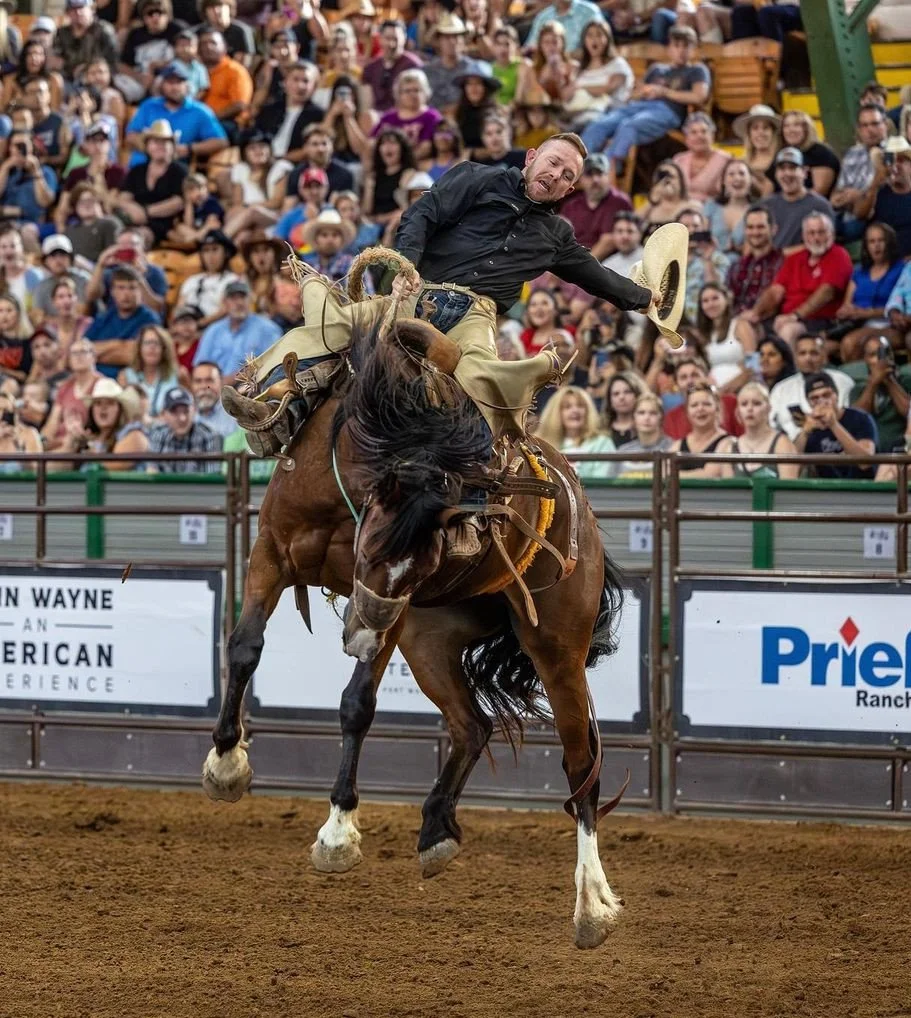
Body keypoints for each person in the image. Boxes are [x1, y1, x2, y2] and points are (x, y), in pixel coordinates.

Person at [223, 133, 659, 453]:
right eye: (552, 162)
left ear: (569, 190)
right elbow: (422, 213)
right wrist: (406, 263)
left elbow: (597, 277)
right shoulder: (477, 177)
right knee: (333, 323)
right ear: (531, 158)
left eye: (567, 175)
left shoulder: (558, 236)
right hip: (417, 291)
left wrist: (646, 299)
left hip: (475, 317)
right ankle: (268, 406)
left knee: (482, 372)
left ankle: (481, 476)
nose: (556, 175)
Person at [580, 26, 710, 182]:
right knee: (600, 124)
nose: (681, 51)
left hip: (668, 111)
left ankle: (605, 170)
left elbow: (699, 96)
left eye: (686, 46)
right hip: (639, 107)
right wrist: (643, 92)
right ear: (669, 49)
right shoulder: (657, 69)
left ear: (693, 49)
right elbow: (633, 95)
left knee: (629, 126)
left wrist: (664, 92)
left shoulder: (697, 70)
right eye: (677, 46)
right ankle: (579, 165)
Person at [742, 212, 853, 349]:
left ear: (831, 234)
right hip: (787, 318)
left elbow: (826, 292)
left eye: (821, 232)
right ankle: (753, 368)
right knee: (747, 327)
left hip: (820, 321)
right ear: (804, 236)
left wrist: (795, 315)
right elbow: (776, 291)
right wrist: (756, 313)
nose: (816, 238)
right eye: (811, 233)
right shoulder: (794, 258)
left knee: (788, 330)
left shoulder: (838, 254)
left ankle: (788, 370)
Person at [124, 61, 228, 168]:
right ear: (162, 85)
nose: (174, 87)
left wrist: (189, 148)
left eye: (179, 82)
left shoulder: (200, 111)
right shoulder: (149, 106)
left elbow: (221, 142)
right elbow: (131, 136)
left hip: (175, 167)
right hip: (141, 166)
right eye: (170, 82)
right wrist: (154, 150)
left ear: (187, 85)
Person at [832, 221, 905, 362]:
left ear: (889, 243)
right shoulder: (860, 272)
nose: (876, 245)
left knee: (852, 343)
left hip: (891, 325)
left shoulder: (901, 269)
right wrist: (846, 312)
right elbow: (847, 304)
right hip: (859, 324)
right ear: (866, 246)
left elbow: (903, 307)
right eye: (872, 241)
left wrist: (867, 313)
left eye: (881, 240)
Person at [52, 376, 149, 472]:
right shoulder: (88, 438)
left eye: (110, 403)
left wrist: (92, 455)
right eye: (98, 403)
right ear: (92, 410)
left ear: (120, 409)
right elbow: (52, 468)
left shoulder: (133, 433)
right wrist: (71, 443)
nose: (103, 408)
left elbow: (117, 465)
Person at [768, 333, 852, 442]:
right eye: (802, 353)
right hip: (792, 451)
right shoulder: (781, 389)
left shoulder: (842, 381)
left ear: (824, 357)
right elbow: (772, 424)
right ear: (795, 357)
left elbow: (850, 418)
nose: (808, 358)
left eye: (814, 353)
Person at [194, 279, 282, 382]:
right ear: (224, 302)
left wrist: (232, 380)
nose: (239, 303)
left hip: (251, 389)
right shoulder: (213, 331)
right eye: (233, 298)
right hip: (214, 389)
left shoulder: (268, 329)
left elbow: (274, 365)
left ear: (250, 300)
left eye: (243, 297)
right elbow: (200, 367)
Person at [795, 371, 876, 479]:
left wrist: (834, 425)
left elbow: (865, 463)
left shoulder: (860, 418)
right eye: (815, 398)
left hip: (863, 486)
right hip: (826, 490)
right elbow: (793, 469)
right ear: (808, 402)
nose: (822, 401)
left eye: (826, 395)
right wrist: (804, 433)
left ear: (836, 396)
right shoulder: (811, 427)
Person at [118, 120, 187, 246]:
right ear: (147, 146)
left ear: (172, 147)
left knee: (135, 238)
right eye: (155, 142)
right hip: (131, 219)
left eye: (165, 142)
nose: (160, 146)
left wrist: (145, 212)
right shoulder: (137, 170)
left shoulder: (179, 171)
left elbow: (178, 202)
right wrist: (135, 211)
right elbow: (123, 198)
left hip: (161, 224)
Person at [84, 266, 162, 378]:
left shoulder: (150, 319)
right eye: (121, 288)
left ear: (140, 291)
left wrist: (97, 353)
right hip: (95, 380)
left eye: (132, 288)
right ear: (112, 292)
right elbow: (83, 349)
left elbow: (133, 356)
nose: (126, 294)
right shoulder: (104, 317)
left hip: (130, 382)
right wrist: (118, 344)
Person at [557, 151, 632, 261]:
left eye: (600, 173)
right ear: (581, 179)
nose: (595, 179)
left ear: (608, 176)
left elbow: (609, 241)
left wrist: (583, 267)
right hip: (570, 261)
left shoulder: (620, 202)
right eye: (590, 174)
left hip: (606, 264)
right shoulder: (571, 205)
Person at [831, 104, 889, 243]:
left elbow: (884, 190)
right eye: (864, 125)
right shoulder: (853, 153)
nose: (870, 130)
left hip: (874, 216)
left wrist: (858, 196)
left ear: (885, 125)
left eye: (875, 124)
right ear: (859, 129)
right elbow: (838, 192)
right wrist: (843, 198)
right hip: (844, 214)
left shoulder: (893, 151)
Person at [759, 147, 834, 253]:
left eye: (792, 168)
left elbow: (826, 242)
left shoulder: (820, 205)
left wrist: (781, 255)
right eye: (782, 169)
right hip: (770, 265)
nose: (787, 173)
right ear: (776, 174)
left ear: (804, 172)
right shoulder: (766, 205)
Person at [845, 334, 911, 454]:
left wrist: (889, 381)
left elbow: (908, 412)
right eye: (873, 355)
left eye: (885, 353)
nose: (880, 360)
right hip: (868, 451)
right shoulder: (858, 388)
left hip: (900, 451)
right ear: (865, 359)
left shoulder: (906, 381)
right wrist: (873, 383)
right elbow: (856, 420)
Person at [534, 384, 615, 480]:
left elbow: (602, 481)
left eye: (580, 406)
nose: (575, 411)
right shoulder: (541, 445)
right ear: (556, 413)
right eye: (567, 407)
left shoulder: (602, 443)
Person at [720, 381, 798, 479]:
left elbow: (788, 488)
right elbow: (728, 491)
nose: (750, 408)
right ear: (738, 410)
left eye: (756, 403)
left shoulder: (782, 444)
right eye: (744, 404)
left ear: (768, 408)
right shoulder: (730, 449)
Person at [562, 20, 632, 129]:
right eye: (590, 35)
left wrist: (580, 87)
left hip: (607, 113)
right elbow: (565, 96)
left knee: (584, 122)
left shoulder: (617, 64)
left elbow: (608, 88)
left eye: (599, 35)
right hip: (577, 111)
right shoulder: (582, 68)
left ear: (607, 39)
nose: (594, 40)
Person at [119, 0, 187, 103]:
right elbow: (122, 64)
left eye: (160, 12)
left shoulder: (177, 30)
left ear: (167, 14)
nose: (155, 17)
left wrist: (156, 66)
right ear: (143, 17)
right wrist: (140, 77)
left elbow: (188, 54)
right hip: (140, 77)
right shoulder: (135, 34)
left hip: (171, 76)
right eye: (150, 13)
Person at [854, 136, 911, 259]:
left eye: (901, 160)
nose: (896, 166)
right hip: (881, 261)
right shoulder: (878, 192)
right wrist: (876, 182)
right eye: (891, 161)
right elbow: (860, 214)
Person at [259, 60, 324, 163]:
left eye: (306, 81)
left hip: (293, 165)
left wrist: (279, 160)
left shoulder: (318, 115)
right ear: (285, 82)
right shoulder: (270, 110)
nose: (300, 86)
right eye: (295, 80)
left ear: (314, 87)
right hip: (261, 160)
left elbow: (309, 149)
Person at [42, 338, 102, 450]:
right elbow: (52, 423)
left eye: (83, 352)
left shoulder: (103, 385)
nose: (78, 356)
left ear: (94, 357)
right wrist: (43, 441)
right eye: (74, 353)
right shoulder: (65, 387)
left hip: (84, 445)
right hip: (59, 444)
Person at [147, 384, 222, 473]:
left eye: (186, 411)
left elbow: (211, 480)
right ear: (163, 414)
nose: (182, 418)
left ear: (194, 411)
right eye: (174, 412)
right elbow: (152, 474)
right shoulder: (157, 433)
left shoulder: (210, 436)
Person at [663, 357, 743, 439]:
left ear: (706, 378)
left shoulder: (730, 403)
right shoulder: (672, 417)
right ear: (677, 384)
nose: (690, 381)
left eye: (695, 375)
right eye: (683, 377)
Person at [197, 27, 253, 143]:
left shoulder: (235, 71)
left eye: (213, 43)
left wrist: (209, 119)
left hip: (228, 123)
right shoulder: (196, 71)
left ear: (224, 47)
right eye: (203, 44)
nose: (208, 47)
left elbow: (240, 105)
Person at [696, 283, 754, 393]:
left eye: (715, 298)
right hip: (715, 394)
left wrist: (725, 389)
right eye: (705, 301)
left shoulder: (740, 325)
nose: (711, 304)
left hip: (742, 390)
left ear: (726, 300)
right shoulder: (705, 334)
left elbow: (753, 366)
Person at [0, 129, 57, 241]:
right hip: (5, 223)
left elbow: (45, 202)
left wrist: (36, 172)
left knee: (26, 233)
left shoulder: (45, 172)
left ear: (32, 147)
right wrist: (5, 167)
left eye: (23, 145)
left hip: (31, 224)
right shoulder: (7, 172)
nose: (19, 150)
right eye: (15, 145)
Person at [726, 205, 783, 317]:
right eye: (750, 227)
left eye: (760, 227)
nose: (755, 232)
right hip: (734, 321)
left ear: (773, 229)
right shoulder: (736, 266)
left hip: (766, 323)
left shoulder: (783, 263)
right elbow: (727, 298)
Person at [374, 69, 442, 162]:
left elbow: (426, 148)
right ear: (399, 94)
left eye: (417, 90)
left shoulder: (432, 117)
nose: (412, 94)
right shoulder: (388, 117)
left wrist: (402, 164)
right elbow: (373, 143)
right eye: (407, 91)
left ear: (425, 92)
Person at [677, 208, 731, 324]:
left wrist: (707, 260)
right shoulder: (668, 261)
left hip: (704, 322)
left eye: (696, 226)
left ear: (703, 229)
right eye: (686, 226)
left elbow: (715, 292)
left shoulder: (718, 259)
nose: (691, 230)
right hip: (675, 321)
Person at [602, 211, 646, 348]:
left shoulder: (649, 258)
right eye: (619, 231)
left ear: (639, 234)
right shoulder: (607, 264)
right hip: (616, 324)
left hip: (644, 325)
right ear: (613, 235)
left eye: (630, 231)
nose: (624, 236)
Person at [117, 324, 181, 418]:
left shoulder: (177, 375)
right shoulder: (125, 376)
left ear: (164, 349)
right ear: (139, 348)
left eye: (157, 343)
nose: (152, 348)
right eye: (147, 343)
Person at [362, 18, 422, 113]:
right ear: (380, 39)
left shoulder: (412, 65)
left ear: (404, 39)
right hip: (377, 118)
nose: (391, 44)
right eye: (387, 38)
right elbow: (366, 104)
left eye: (395, 39)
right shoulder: (371, 68)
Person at [670, 380, 729, 477]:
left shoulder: (728, 443)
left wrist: (675, 475)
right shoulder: (678, 445)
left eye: (706, 404)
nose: (700, 409)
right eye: (694, 405)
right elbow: (663, 473)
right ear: (687, 412)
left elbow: (710, 474)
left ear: (717, 408)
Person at [53, 0, 119, 85]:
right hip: (69, 79)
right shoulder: (62, 33)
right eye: (73, 9)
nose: (78, 12)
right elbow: (57, 61)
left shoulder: (104, 30)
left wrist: (87, 68)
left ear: (92, 9)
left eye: (81, 8)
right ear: (67, 13)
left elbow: (113, 62)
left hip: (100, 80)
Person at [363, 128, 418, 229]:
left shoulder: (409, 173)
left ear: (402, 149)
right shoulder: (373, 176)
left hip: (398, 223)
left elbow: (406, 207)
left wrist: (382, 218)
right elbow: (367, 210)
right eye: (383, 144)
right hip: (374, 224)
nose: (388, 147)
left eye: (393, 143)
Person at [779, 110, 841, 199]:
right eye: (786, 126)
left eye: (796, 125)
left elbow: (819, 191)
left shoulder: (821, 153)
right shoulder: (784, 154)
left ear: (807, 129)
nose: (790, 130)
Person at [702, 159, 758, 257]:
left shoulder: (758, 210)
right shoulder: (712, 206)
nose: (737, 178)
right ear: (724, 181)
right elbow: (702, 241)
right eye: (731, 174)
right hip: (712, 263)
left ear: (751, 180)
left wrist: (739, 249)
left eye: (742, 173)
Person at [673, 112, 730, 204]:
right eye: (693, 132)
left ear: (712, 136)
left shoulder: (725, 160)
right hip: (681, 209)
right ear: (687, 139)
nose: (699, 136)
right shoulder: (679, 160)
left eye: (704, 131)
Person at [31, 235, 92, 322]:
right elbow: (37, 318)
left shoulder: (83, 279)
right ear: (45, 261)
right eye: (53, 256)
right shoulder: (41, 286)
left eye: (63, 255)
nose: (58, 260)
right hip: (51, 333)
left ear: (70, 258)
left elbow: (82, 313)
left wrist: (50, 320)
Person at [423, 12, 473, 112]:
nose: (452, 41)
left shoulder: (472, 69)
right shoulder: (427, 71)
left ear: (463, 41)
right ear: (439, 41)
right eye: (447, 37)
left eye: (456, 37)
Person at [615, 392, 673, 477]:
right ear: (634, 417)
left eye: (653, 413)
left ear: (661, 417)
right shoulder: (622, 451)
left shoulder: (672, 447)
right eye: (641, 413)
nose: (647, 418)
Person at [298, 208, 360, 284]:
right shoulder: (308, 267)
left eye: (335, 235)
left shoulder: (353, 265)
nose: (330, 239)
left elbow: (367, 294)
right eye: (324, 235)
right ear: (316, 239)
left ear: (341, 239)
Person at [733, 103, 780, 199]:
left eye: (765, 128)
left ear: (773, 132)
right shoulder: (742, 162)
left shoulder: (781, 160)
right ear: (749, 133)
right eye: (755, 128)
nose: (760, 132)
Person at [525, 0, 605, 53]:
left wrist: (566, 58)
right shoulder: (543, 17)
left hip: (584, 68)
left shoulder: (589, 12)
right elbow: (531, 48)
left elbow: (602, 46)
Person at [41, 277, 93, 355]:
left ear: (76, 299)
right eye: (61, 297)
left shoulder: (88, 323)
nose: (66, 301)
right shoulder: (48, 329)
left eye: (70, 296)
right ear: (54, 301)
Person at [642, 160, 695, 234]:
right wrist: (652, 200)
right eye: (662, 176)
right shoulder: (651, 207)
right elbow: (634, 223)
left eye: (671, 176)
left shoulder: (692, 206)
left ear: (680, 181)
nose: (666, 180)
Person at [191, 360, 237, 437]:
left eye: (209, 380)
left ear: (221, 383)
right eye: (198, 381)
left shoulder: (235, 416)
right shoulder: (183, 414)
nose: (203, 386)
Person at [0, 392, 42, 472]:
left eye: (6, 411)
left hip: (20, 482)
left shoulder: (29, 434)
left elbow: (37, 468)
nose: (1, 415)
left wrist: (19, 446)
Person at [602, 370, 646, 446]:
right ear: (610, 399)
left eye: (627, 392)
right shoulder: (601, 429)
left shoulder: (648, 426)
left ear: (638, 394)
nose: (621, 397)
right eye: (616, 394)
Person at [0, 294, 32, 382]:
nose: (4, 315)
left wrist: (4, 371)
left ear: (18, 314)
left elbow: (25, 376)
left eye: (9, 310)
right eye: (0, 311)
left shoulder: (28, 341)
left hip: (17, 386)